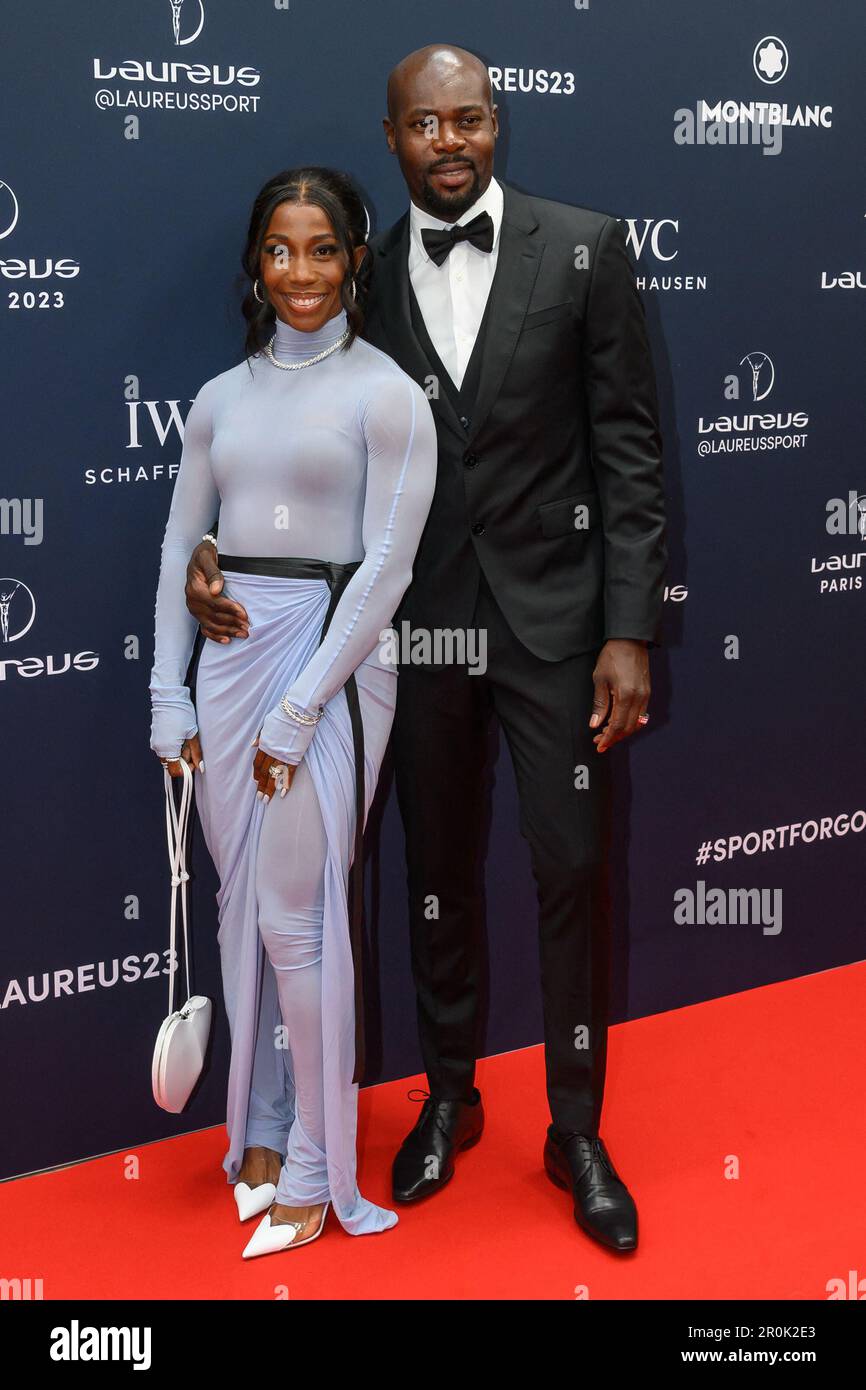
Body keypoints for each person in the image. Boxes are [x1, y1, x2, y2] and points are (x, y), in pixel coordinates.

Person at [184, 45, 667, 1253]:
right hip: (410, 632)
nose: (448, 141)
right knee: (432, 872)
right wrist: (213, 557)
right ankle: (448, 1099)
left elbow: (628, 455)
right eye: (422, 124)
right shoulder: (360, 272)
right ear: (391, 137)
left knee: (569, 869)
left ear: (496, 125)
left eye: (469, 119)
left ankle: (575, 1126)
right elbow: (283, 426)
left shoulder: (583, 248)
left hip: (557, 629)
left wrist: (626, 630)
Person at [148, 165, 436, 1257]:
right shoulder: (221, 397)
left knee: (297, 915)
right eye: (280, 249)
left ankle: (321, 1163)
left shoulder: (387, 395)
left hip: (334, 661)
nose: (300, 272)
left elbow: (388, 570)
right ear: (256, 261)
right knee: (240, 909)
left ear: (355, 257)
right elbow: (184, 546)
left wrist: (302, 706)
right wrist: (166, 692)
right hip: (228, 663)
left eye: (322, 249)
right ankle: (260, 1127)